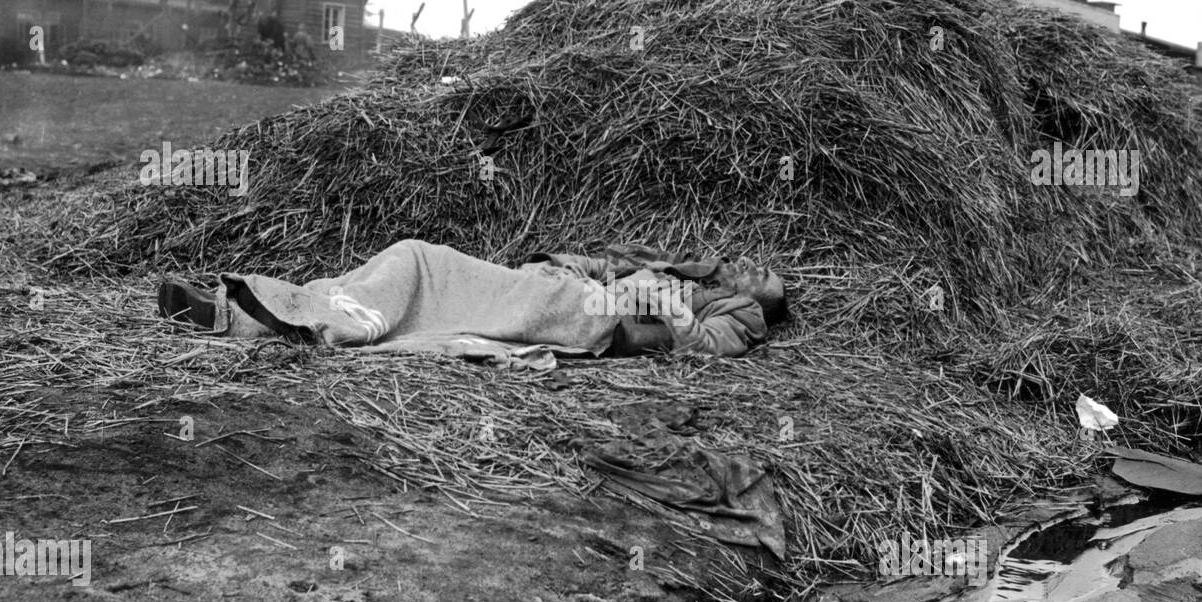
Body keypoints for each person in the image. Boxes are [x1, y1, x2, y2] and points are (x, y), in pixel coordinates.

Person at [157, 240, 787, 365]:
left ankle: (285, 319)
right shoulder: (666, 266)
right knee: (410, 265)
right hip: (562, 291)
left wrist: (664, 311)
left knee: (421, 265)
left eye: (763, 276)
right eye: (751, 262)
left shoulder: (737, 313)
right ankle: (268, 307)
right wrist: (584, 269)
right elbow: (587, 261)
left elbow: (704, 346)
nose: (753, 269)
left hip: (595, 320)